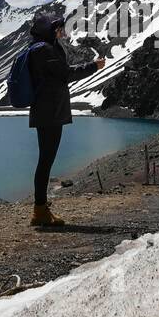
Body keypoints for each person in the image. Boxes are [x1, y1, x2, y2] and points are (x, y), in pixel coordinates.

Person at [27, 12, 105, 227]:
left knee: (46, 159)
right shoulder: (44, 49)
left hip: (48, 110)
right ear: (50, 29)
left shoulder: (42, 47)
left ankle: (40, 209)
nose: (62, 31)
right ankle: (39, 211)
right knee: (46, 160)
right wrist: (93, 67)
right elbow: (65, 74)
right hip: (49, 112)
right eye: (59, 28)